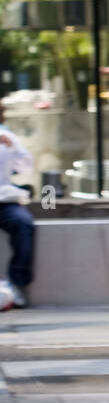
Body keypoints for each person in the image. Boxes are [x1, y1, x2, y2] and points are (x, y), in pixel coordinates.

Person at [0, 105, 35, 308]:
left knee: (23, 223)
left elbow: (27, 168)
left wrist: (13, 148)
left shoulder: (7, 137)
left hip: (3, 200)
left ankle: (16, 285)